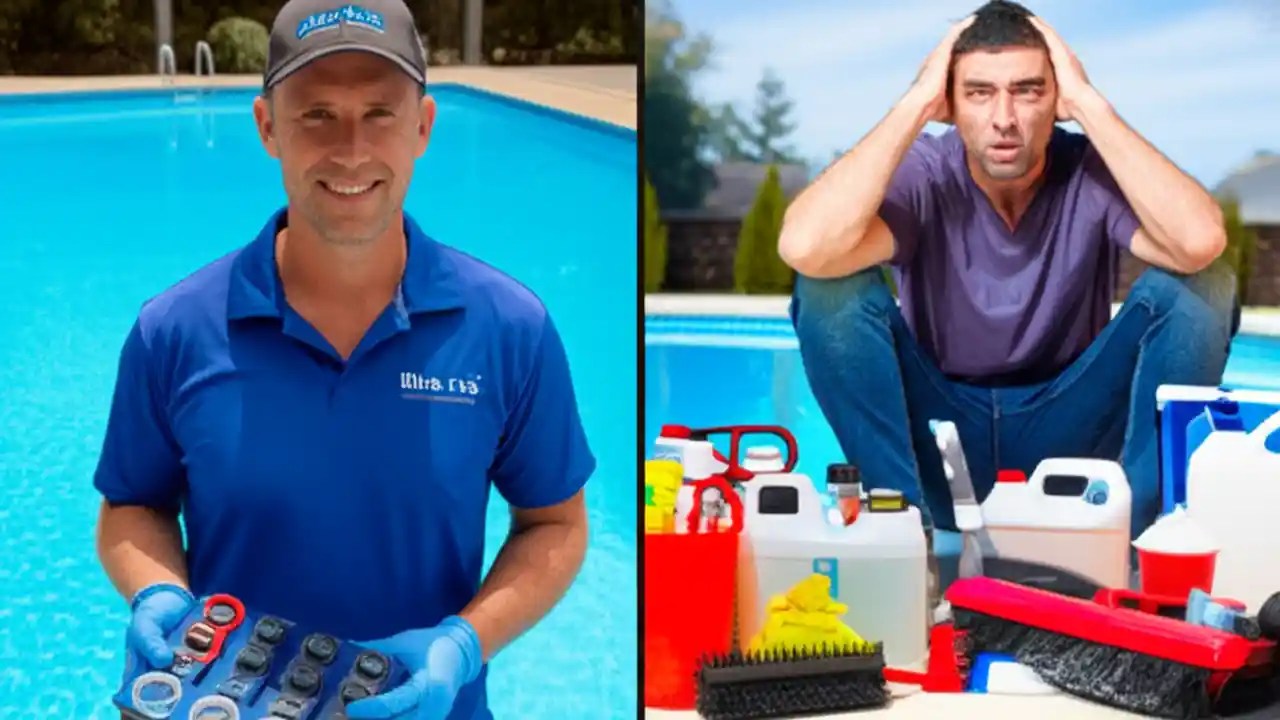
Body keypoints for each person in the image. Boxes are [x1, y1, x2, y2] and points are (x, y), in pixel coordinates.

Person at [93, 1, 594, 718]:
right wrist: (160, 591)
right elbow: (132, 505)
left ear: (423, 126)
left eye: (379, 114)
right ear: (268, 126)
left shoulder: (508, 328)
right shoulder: (174, 329)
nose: (351, 149)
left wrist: (464, 641)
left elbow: (556, 522)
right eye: (317, 114)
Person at [777, 0, 1237, 541]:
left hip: (1072, 442)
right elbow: (805, 246)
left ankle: (1136, 543)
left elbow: (1200, 243)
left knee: (1205, 284)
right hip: (942, 438)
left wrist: (1090, 103)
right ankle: (898, 540)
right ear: (950, 102)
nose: (1004, 119)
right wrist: (916, 104)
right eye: (978, 93)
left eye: (1027, 90)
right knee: (828, 290)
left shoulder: (1089, 170)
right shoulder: (927, 172)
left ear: (1057, 99)